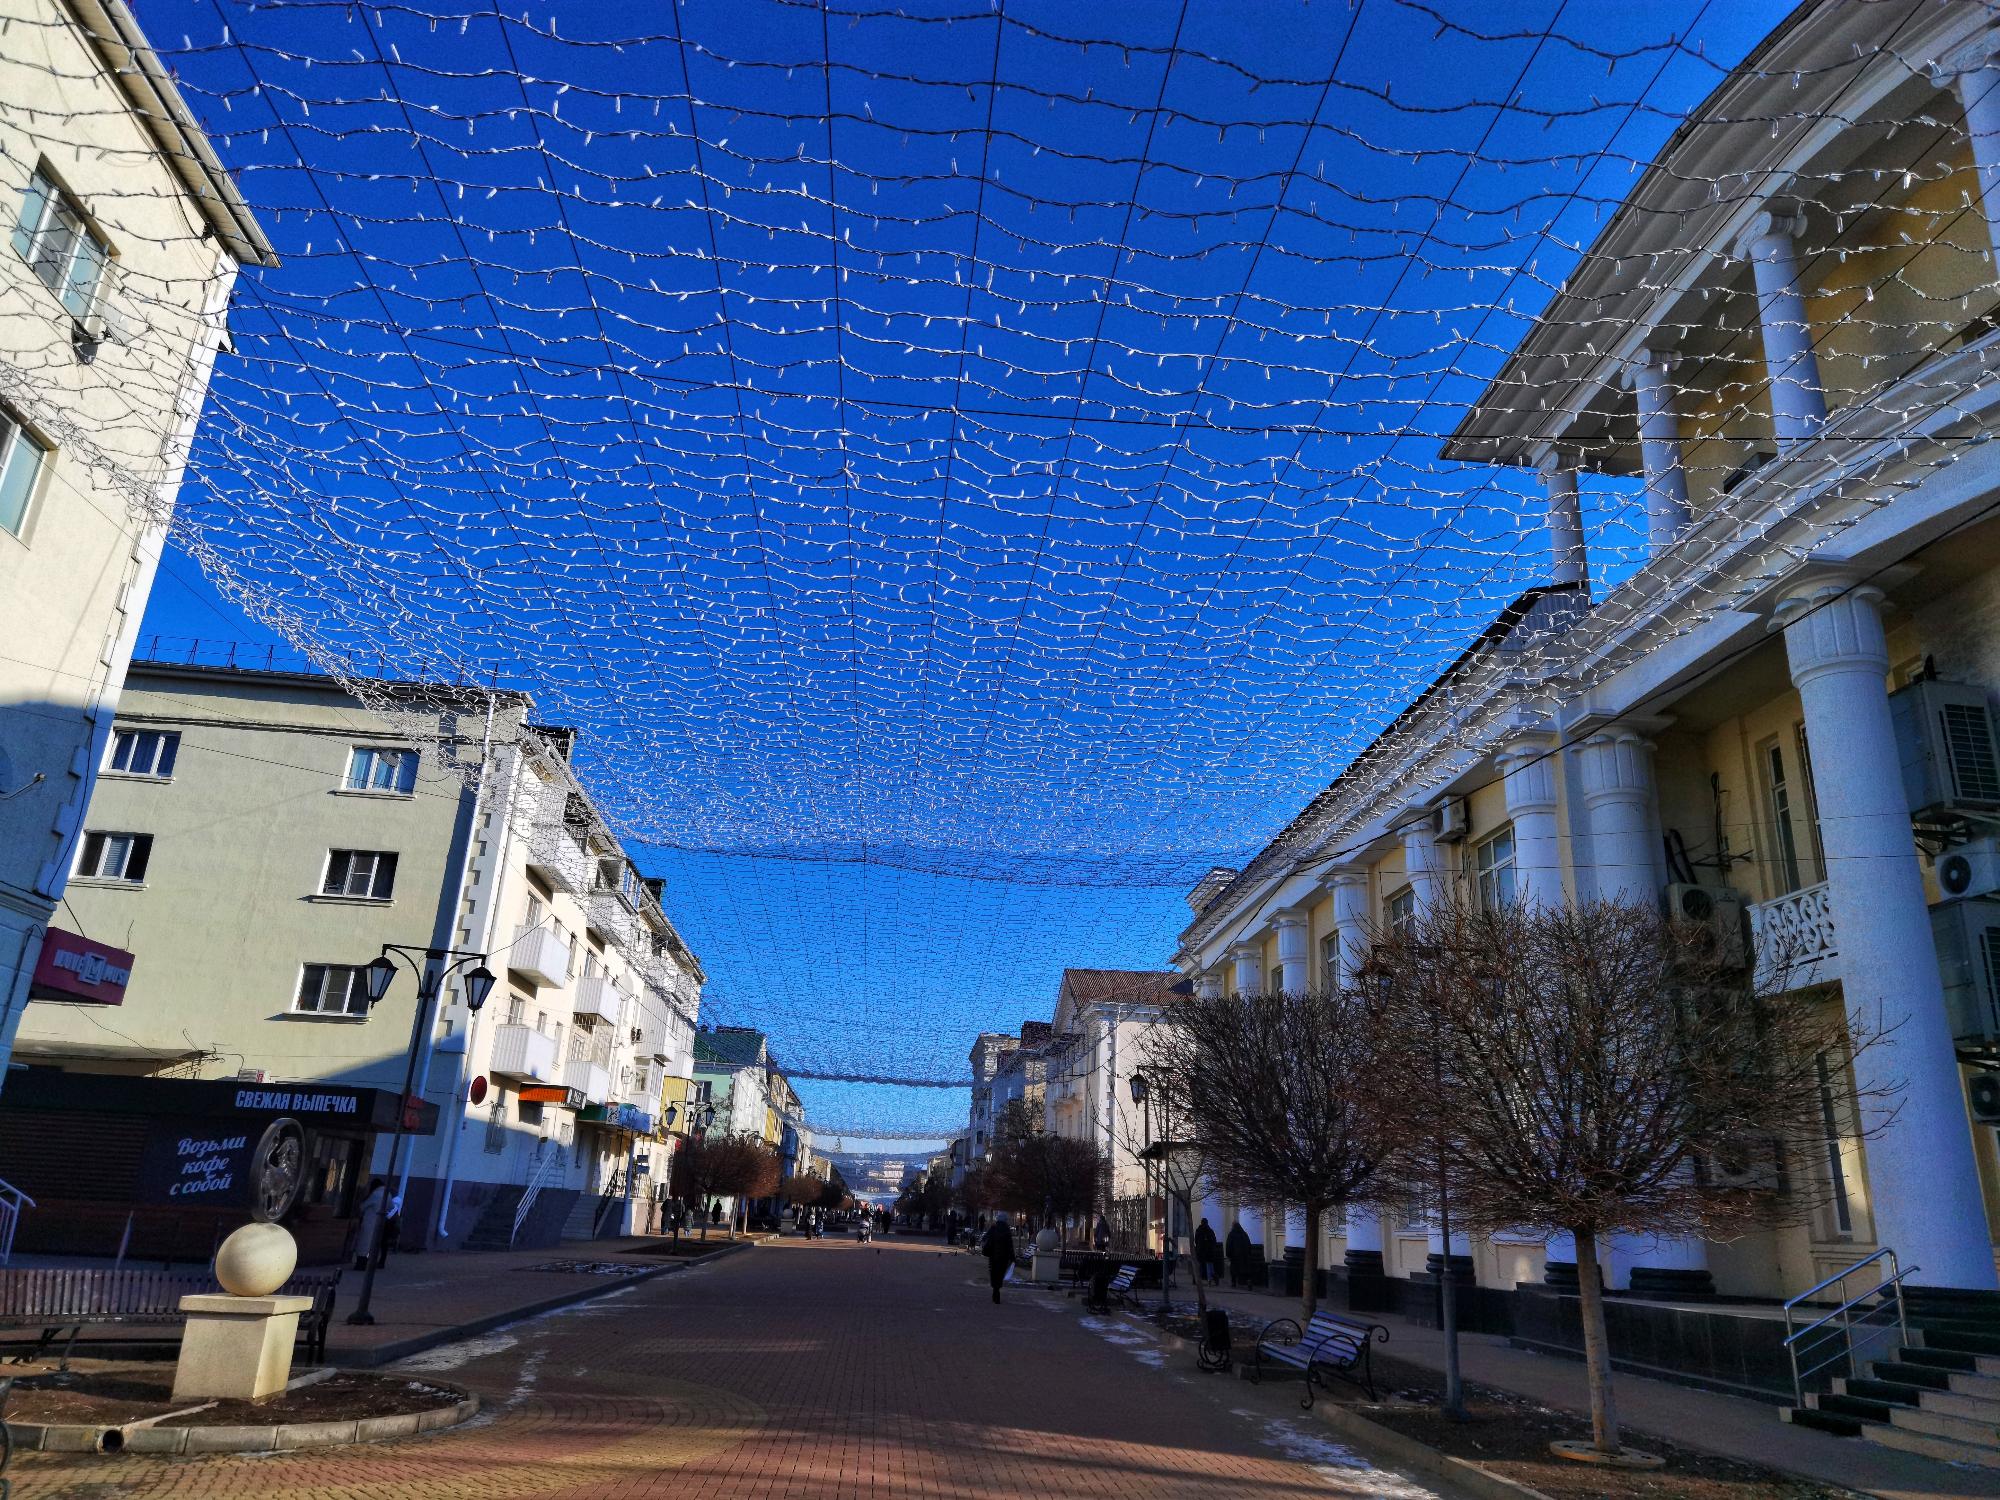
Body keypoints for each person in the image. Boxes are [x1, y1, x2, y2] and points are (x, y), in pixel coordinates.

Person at [979, 1212, 1016, 1304]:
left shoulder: (993, 1228)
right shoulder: (1007, 1230)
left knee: (993, 1272)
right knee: (1000, 1274)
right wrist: (1012, 1257)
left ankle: (995, 1289)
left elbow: (985, 1238)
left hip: (993, 1256)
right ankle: (997, 1288)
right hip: (1004, 1257)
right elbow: (1010, 1245)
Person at [353, 1178, 388, 1271]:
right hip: (380, 1223)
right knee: (373, 1244)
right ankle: (369, 1262)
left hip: (369, 1221)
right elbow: (391, 1206)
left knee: (363, 1244)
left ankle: (361, 1264)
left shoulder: (375, 1194)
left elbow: (363, 1206)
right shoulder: (387, 1194)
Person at [1225, 1218, 1254, 1290]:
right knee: (1246, 1270)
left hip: (1235, 1256)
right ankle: (1248, 1281)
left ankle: (1233, 1282)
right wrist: (1249, 1253)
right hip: (1245, 1256)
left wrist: (1228, 1254)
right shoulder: (1244, 1234)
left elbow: (1229, 1245)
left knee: (1234, 1270)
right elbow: (1249, 1244)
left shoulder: (1231, 1234)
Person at [1194, 1216, 1220, 1286]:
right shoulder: (1210, 1231)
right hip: (1209, 1251)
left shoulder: (1199, 1230)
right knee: (1209, 1265)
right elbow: (1214, 1241)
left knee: (1200, 1265)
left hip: (1201, 1250)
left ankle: (1200, 1279)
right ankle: (1210, 1279)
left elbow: (1196, 1240)